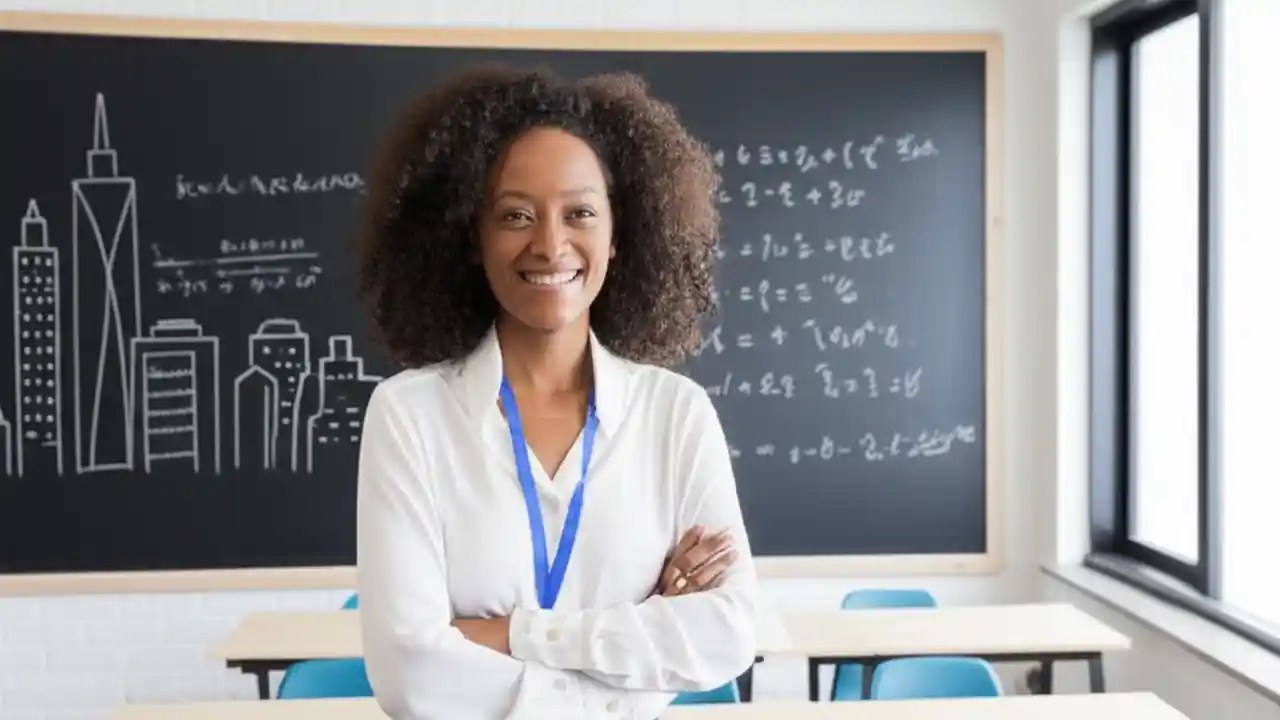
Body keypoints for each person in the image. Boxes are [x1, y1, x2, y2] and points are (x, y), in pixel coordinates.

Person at [353, 64, 757, 720]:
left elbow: (728, 633)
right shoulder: (409, 417)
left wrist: (509, 632)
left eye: (580, 213)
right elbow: (410, 675)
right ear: (471, 238)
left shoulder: (675, 416)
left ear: (618, 235)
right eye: (515, 214)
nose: (549, 243)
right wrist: (641, 636)